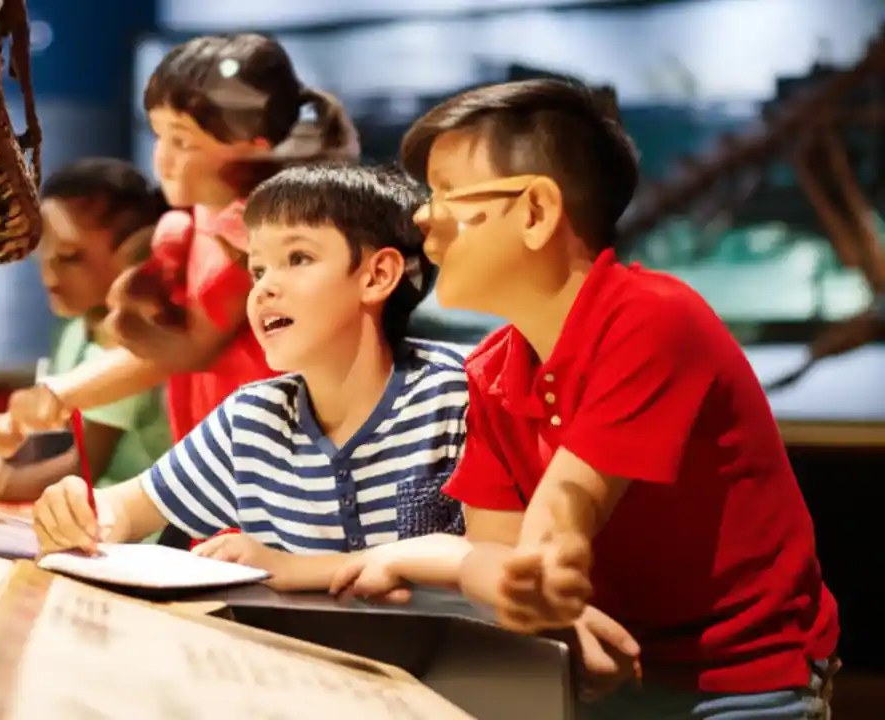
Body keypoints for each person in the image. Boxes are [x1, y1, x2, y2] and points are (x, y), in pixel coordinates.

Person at [331, 79, 839, 718]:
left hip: (740, 677)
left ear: (537, 212)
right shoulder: (492, 367)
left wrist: (540, 576)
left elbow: (567, 509)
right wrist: (539, 603)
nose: (424, 216)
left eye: (448, 192)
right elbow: (504, 552)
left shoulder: (653, 317)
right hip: (605, 666)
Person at [0, 33, 359, 548]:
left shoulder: (252, 234)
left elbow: (180, 347)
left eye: (183, 141)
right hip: (219, 477)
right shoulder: (195, 228)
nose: (163, 158)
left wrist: (55, 396)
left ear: (253, 143)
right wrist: (41, 405)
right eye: (160, 135)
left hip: (277, 477)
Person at [26, 164, 479, 592]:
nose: (263, 287)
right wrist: (79, 511)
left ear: (378, 275)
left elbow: (497, 554)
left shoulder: (457, 394)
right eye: (258, 269)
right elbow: (124, 508)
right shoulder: (253, 418)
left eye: (298, 257)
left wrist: (298, 569)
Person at [0, 158, 173, 502]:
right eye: (44, 257)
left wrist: (0, 485)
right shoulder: (74, 330)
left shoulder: (134, 339)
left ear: (132, 251)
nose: (49, 275)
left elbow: (86, 467)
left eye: (71, 257)